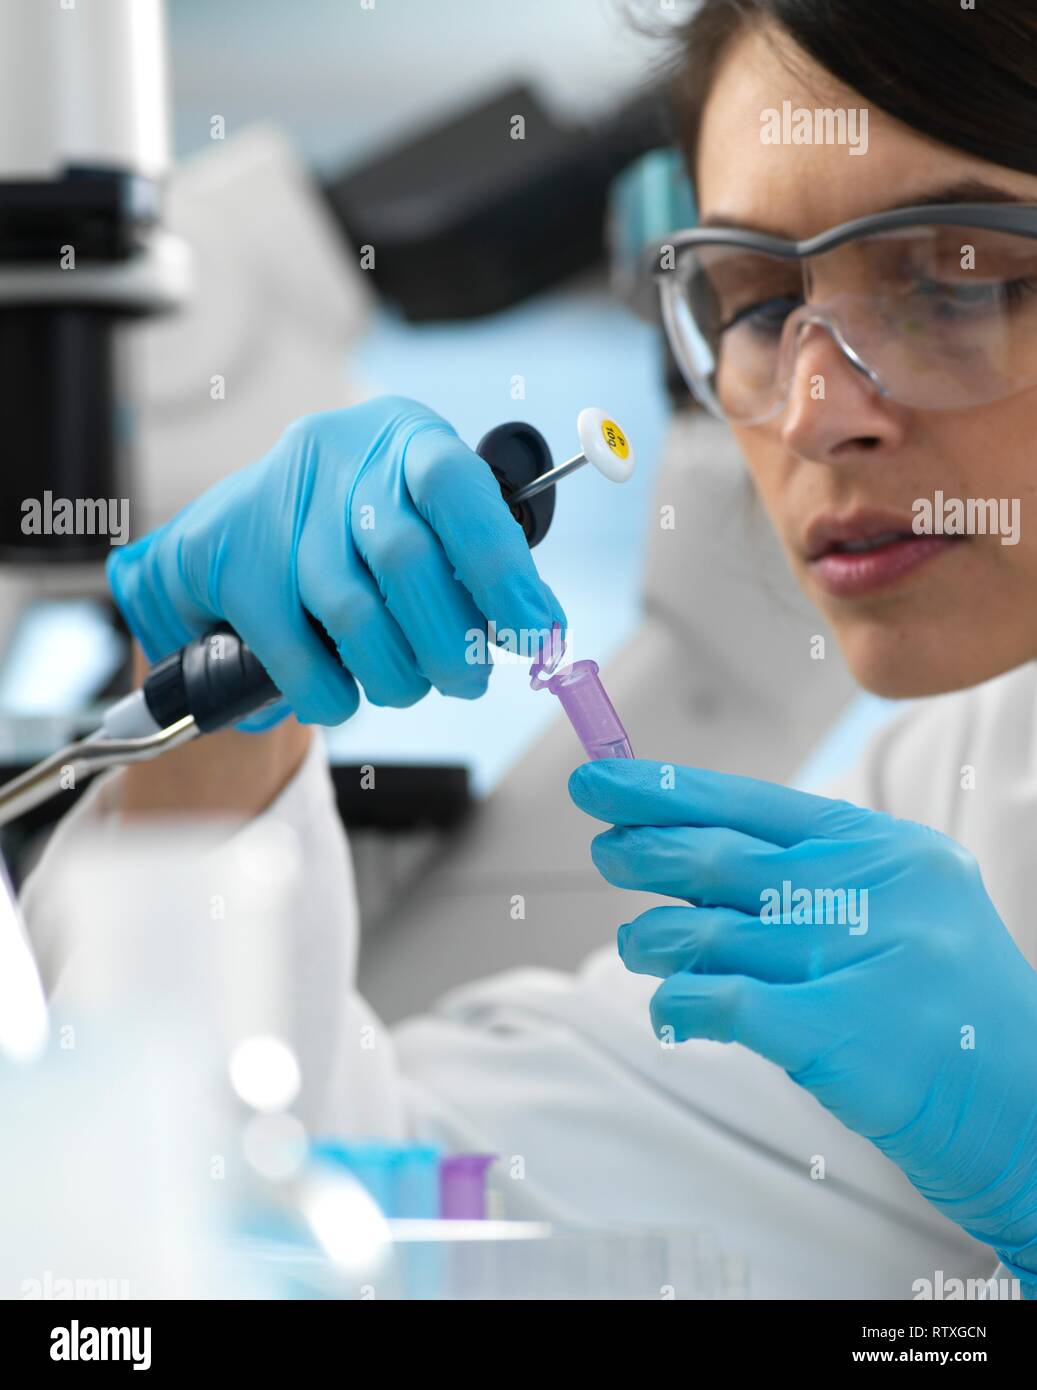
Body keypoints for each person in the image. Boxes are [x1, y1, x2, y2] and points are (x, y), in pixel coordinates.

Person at [19, 0, 1037, 1298]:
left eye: (952, 278)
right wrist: (225, 723)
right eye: (753, 299)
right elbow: (355, 1224)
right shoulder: (961, 809)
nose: (812, 408)